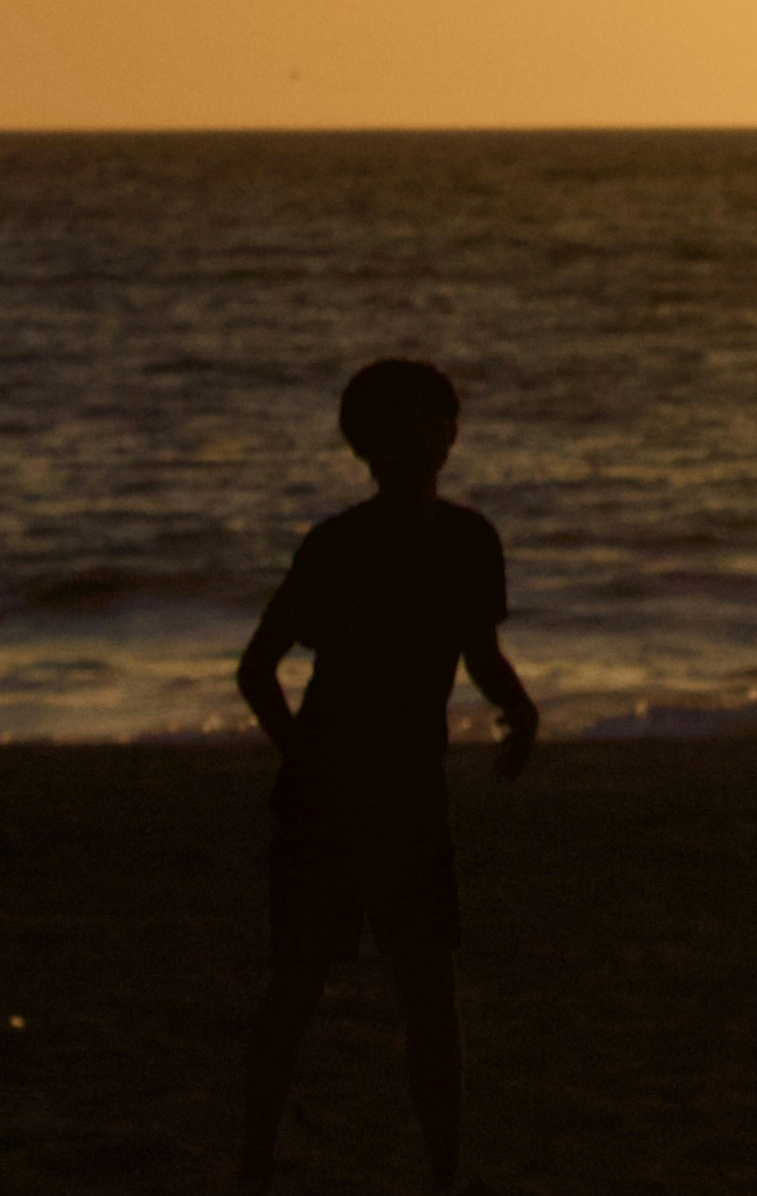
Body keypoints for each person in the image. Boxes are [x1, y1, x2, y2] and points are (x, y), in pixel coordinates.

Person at [236, 357, 536, 1196]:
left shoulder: (470, 541)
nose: (415, 435)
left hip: (411, 794)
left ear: (451, 433)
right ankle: (255, 1164)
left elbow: (478, 651)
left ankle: (443, 1173)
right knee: (296, 989)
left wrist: (520, 707)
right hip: (326, 803)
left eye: (429, 419)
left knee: (428, 997)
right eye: (394, 422)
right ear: (360, 444)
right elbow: (258, 668)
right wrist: (302, 756)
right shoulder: (339, 545)